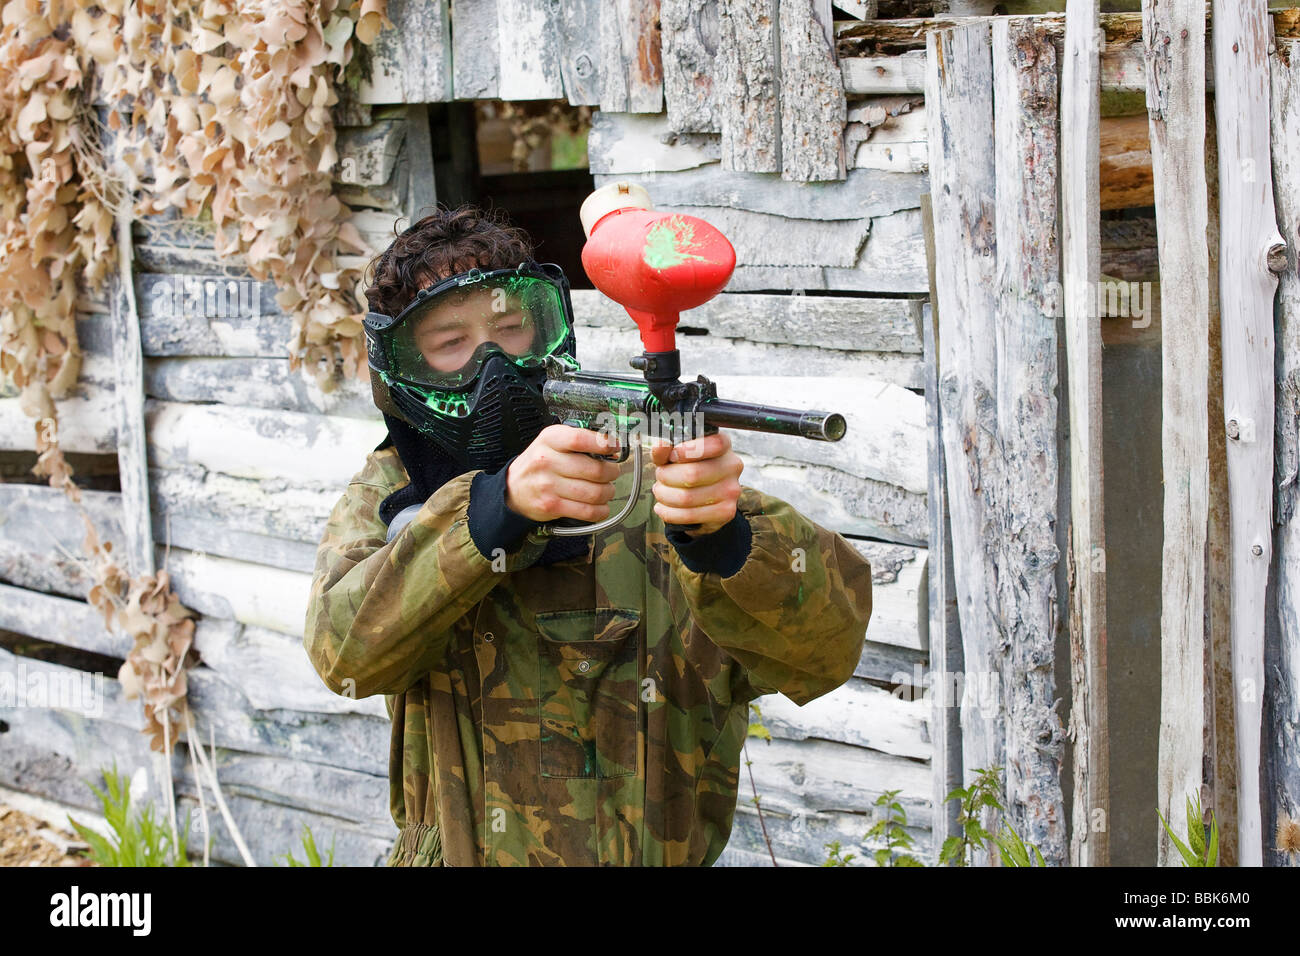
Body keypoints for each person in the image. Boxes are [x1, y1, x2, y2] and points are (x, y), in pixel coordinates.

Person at [302, 204, 873, 866]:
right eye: (450, 344)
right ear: (407, 366)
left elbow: (827, 652)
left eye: (512, 329)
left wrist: (723, 544)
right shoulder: (394, 494)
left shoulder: (645, 483)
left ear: (548, 330)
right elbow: (342, 656)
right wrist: (490, 513)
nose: (493, 364)